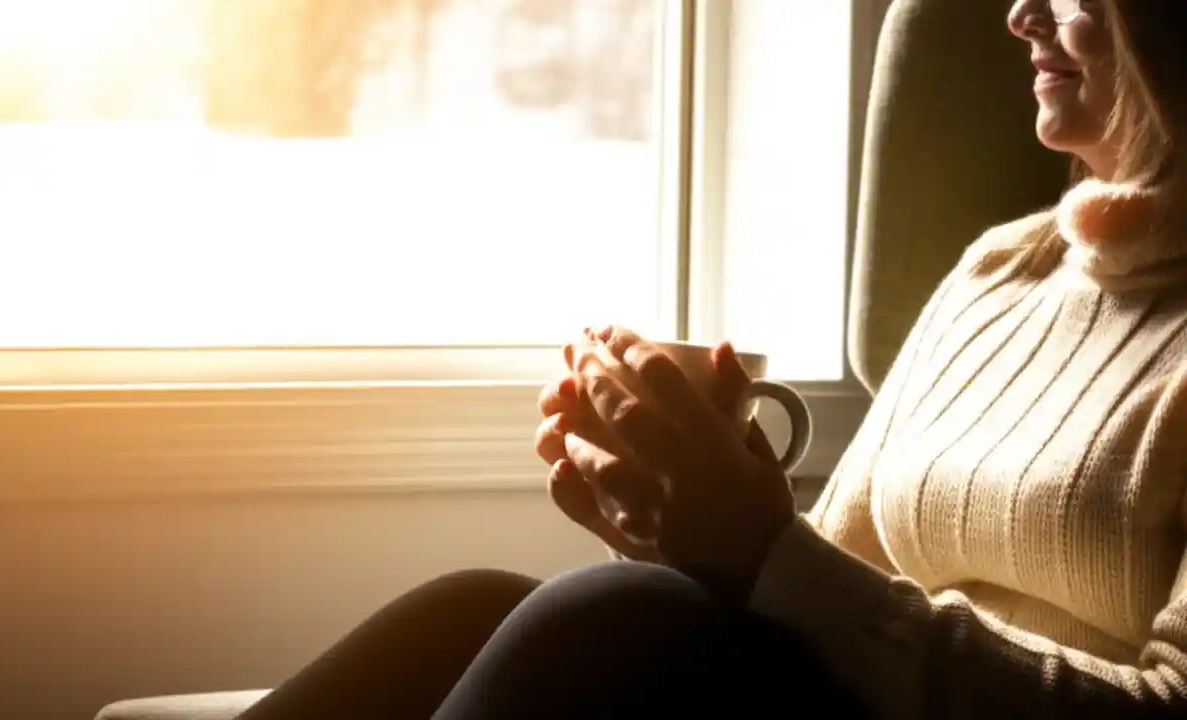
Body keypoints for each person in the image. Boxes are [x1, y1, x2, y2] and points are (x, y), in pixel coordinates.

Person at [238, 0, 1187, 717]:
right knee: (479, 604)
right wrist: (672, 530)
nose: (1022, 15)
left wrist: (757, 551)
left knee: (613, 621)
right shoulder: (1003, 270)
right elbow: (824, 575)